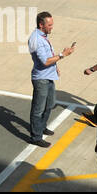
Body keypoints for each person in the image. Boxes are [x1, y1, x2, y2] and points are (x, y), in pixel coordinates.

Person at [27, 11, 74, 147]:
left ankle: (41, 127)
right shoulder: (36, 39)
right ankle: (36, 137)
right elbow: (45, 61)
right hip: (41, 78)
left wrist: (56, 66)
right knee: (38, 108)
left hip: (48, 76)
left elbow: (49, 55)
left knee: (49, 104)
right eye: (49, 25)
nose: (52, 27)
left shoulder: (43, 35)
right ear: (41, 25)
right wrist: (62, 55)